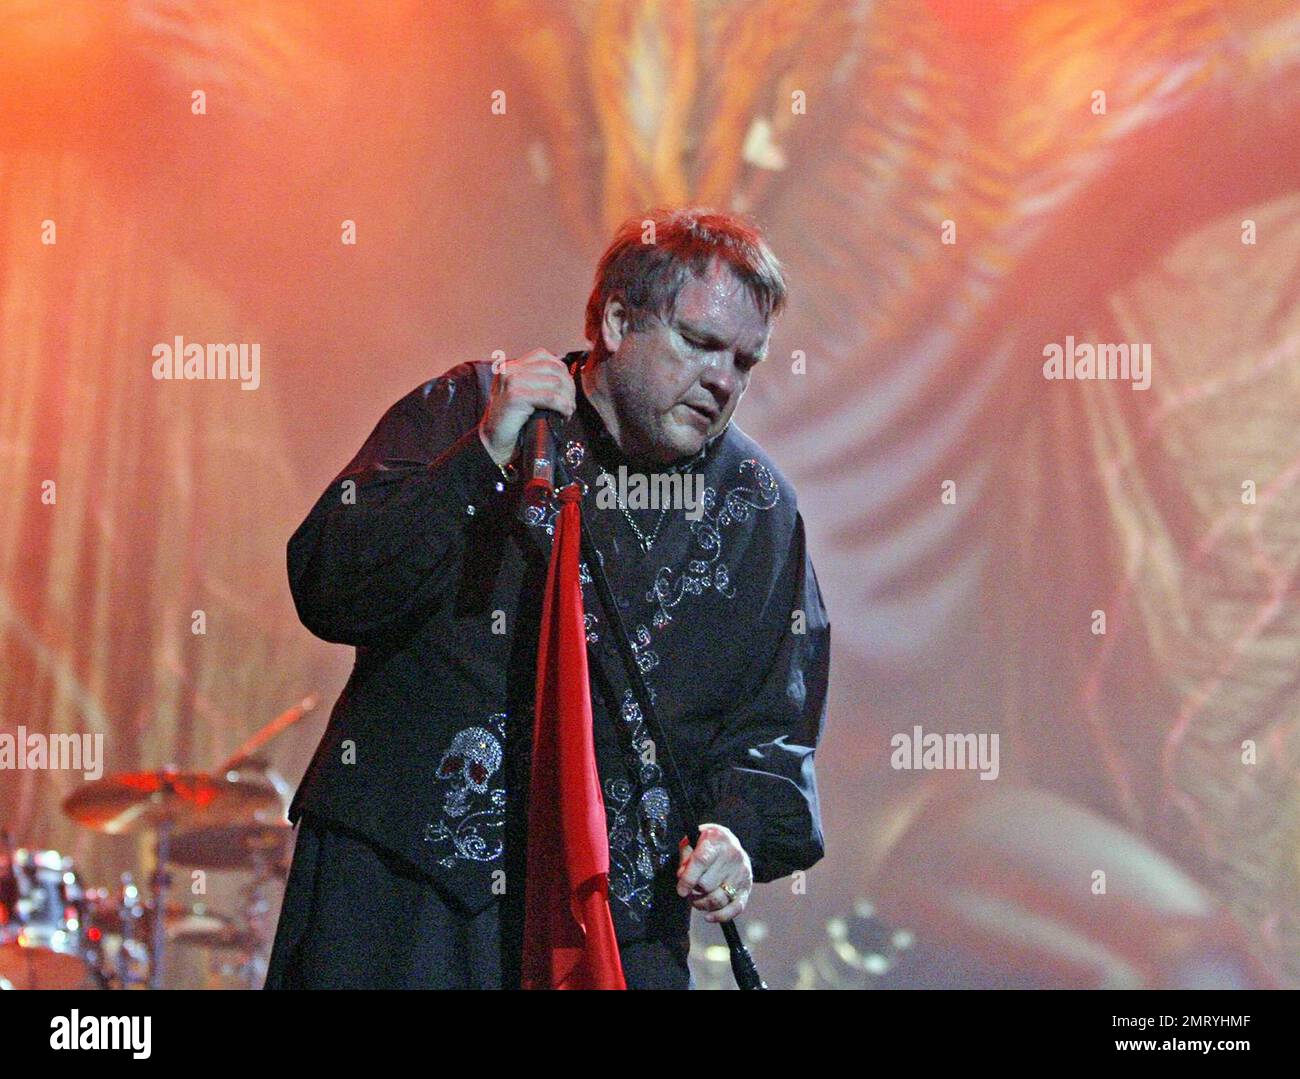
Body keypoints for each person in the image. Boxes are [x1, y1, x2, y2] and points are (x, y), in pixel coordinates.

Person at [264, 206, 831, 989]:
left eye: (745, 361)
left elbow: (774, 730)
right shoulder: (472, 411)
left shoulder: (758, 512)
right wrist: (479, 460)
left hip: (611, 931)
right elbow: (327, 584)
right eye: (699, 343)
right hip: (404, 900)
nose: (723, 381)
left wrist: (735, 831)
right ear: (616, 318)